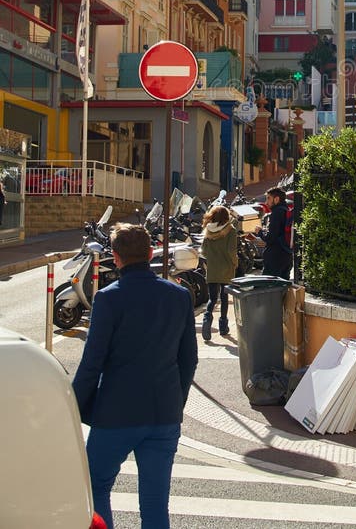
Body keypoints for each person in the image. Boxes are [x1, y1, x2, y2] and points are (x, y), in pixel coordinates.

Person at [72, 222, 198, 529]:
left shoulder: (108, 298)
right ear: (151, 253)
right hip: (163, 412)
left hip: (115, 413)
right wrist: (176, 403)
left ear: (115, 258)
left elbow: (92, 363)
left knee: (96, 488)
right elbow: (189, 360)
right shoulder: (180, 296)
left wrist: (74, 406)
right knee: (155, 503)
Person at [200, 204, 237, 341]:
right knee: (224, 297)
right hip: (226, 268)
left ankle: (206, 319)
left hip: (212, 268)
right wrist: (235, 262)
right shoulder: (231, 230)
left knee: (212, 298)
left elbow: (203, 251)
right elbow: (231, 250)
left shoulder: (208, 230)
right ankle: (223, 327)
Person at [262, 187, 293, 280]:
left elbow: (270, 238)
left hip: (275, 258)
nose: (266, 202)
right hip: (286, 255)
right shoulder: (286, 210)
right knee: (283, 285)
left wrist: (259, 232)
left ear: (276, 199)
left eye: (268, 198)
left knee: (265, 286)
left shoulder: (276, 212)